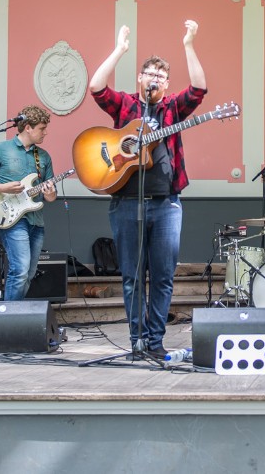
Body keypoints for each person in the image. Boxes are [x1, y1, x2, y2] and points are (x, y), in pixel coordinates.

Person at [89, 20, 207, 360]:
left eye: (160, 76)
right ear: (140, 78)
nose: (154, 79)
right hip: (126, 202)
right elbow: (97, 87)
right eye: (149, 74)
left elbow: (199, 88)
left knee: (163, 278)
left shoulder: (172, 108)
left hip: (167, 202)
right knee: (131, 278)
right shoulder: (125, 105)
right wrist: (120, 49)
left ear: (166, 84)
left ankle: (155, 341)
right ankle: (136, 341)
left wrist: (188, 44)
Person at [0, 105, 58, 301]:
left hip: (36, 221)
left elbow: (50, 197)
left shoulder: (44, 157)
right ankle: (8, 319)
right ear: (27, 127)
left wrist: (51, 193)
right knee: (20, 269)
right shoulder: (0, 150)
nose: (45, 133)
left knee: (28, 274)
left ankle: (13, 314)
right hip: (12, 218)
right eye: (41, 128)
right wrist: (3, 188)